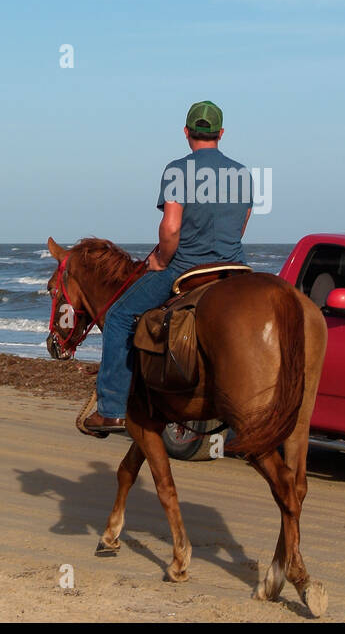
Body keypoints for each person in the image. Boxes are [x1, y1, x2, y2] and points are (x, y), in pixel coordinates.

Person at [81, 101, 253, 434]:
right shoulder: (243, 174)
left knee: (118, 315)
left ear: (187, 133)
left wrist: (160, 260)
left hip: (188, 268)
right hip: (236, 269)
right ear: (221, 133)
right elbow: (242, 224)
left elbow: (171, 229)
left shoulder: (177, 171)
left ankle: (113, 408)